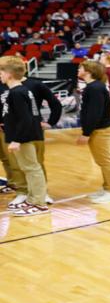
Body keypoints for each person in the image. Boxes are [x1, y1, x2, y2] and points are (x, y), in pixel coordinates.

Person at [1, 56, 50, 215]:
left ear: (9, 74)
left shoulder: (17, 93)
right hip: (26, 136)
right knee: (29, 168)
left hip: (24, 137)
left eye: (1, 71)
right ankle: (31, 199)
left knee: (32, 168)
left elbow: (26, 118)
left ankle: (39, 203)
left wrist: (16, 139)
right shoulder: (21, 90)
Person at [76, 60, 110, 203]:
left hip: (101, 129)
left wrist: (86, 133)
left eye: (81, 67)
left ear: (89, 71)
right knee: (101, 161)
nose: (78, 69)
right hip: (98, 129)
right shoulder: (93, 87)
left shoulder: (95, 88)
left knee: (105, 161)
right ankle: (108, 188)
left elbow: (94, 113)